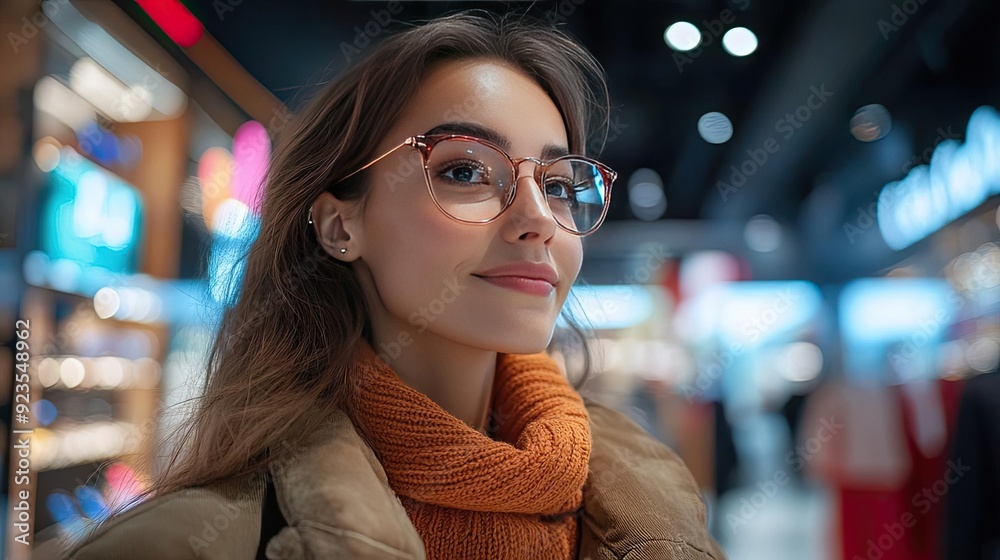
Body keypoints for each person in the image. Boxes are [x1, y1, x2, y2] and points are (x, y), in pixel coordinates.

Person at [63, 11, 724, 560]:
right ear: (340, 224)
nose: (536, 221)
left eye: (556, 186)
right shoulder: (185, 545)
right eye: (466, 171)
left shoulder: (656, 505)